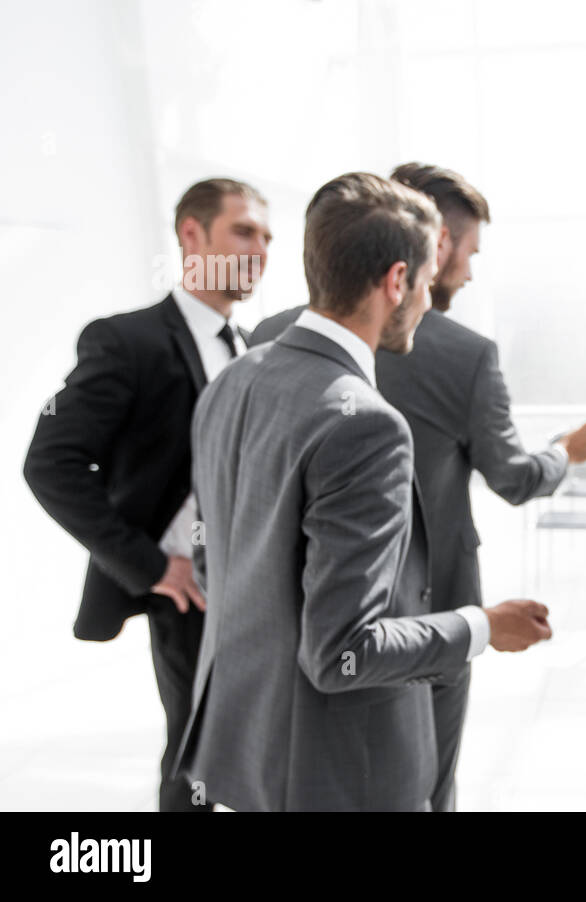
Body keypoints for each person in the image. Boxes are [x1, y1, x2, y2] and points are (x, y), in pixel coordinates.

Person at [173, 172, 552, 811]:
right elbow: (343, 650)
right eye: (429, 283)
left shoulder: (231, 380)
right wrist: (483, 625)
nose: (430, 304)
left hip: (245, 752)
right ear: (397, 281)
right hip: (343, 773)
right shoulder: (368, 425)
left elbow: (219, 567)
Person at [24, 178, 271, 811]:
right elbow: (50, 463)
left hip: (251, 583)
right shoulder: (125, 341)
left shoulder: (253, 351)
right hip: (185, 592)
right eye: (244, 231)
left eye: (267, 237)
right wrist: (151, 565)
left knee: (249, 752)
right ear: (192, 235)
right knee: (194, 762)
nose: (261, 249)